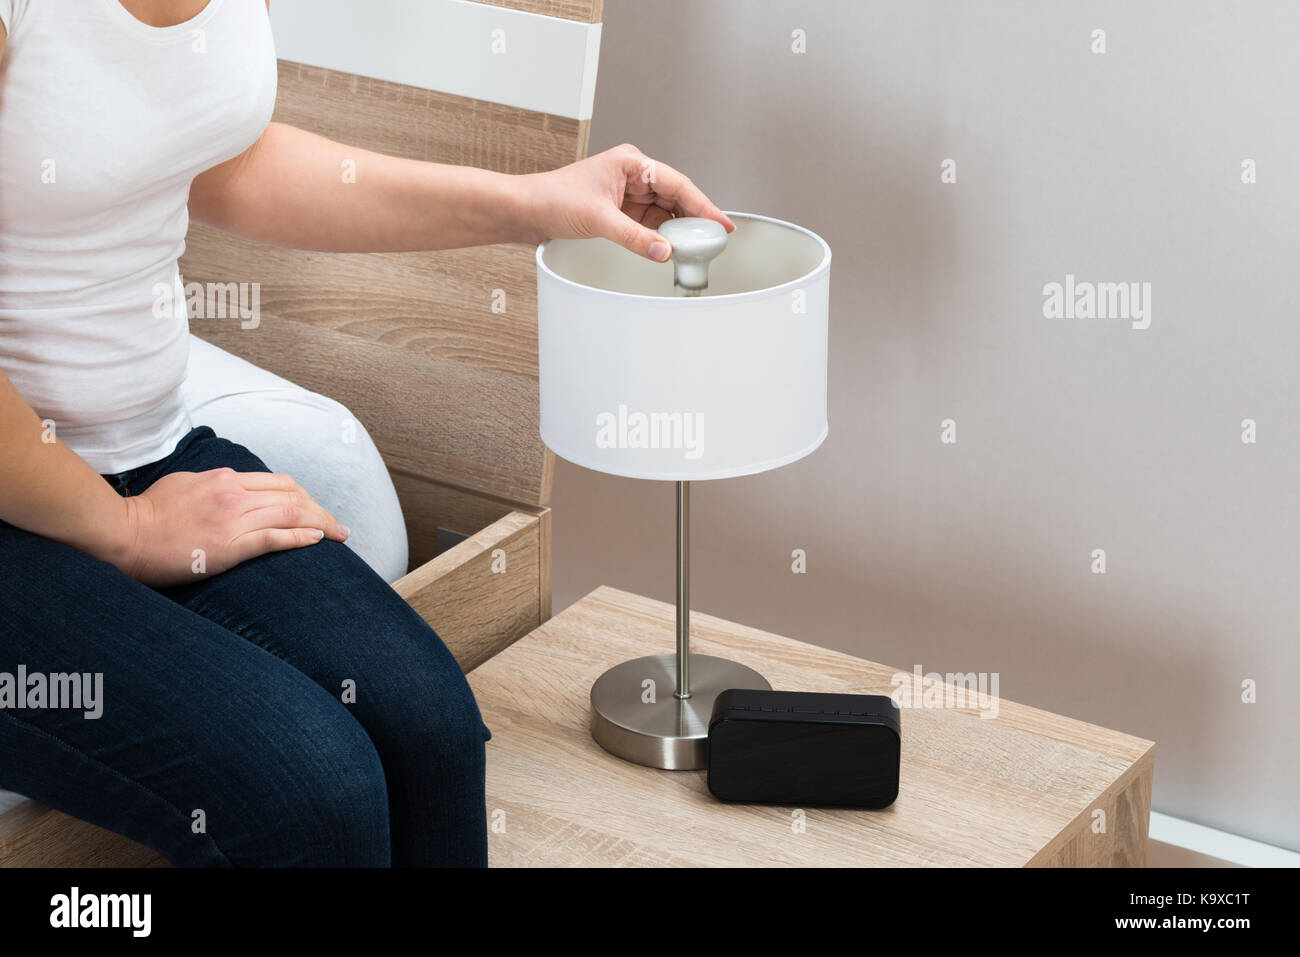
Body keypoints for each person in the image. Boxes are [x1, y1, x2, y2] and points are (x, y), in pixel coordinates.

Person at [0, 0, 733, 867]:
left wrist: (535, 202)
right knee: (310, 791)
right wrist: (124, 529)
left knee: (431, 728)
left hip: (148, 448)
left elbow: (223, 159)